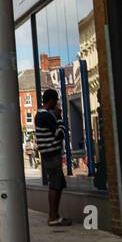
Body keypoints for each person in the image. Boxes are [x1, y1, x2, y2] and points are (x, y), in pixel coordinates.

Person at [34, 89, 71, 227]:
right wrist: (60, 117)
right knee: (55, 184)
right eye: (55, 101)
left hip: (48, 154)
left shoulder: (40, 114)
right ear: (51, 101)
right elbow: (60, 133)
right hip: (52, 154)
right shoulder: (47, 116)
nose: (56, 104)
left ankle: (55, 215)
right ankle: (53, 216)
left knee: (59, 184)